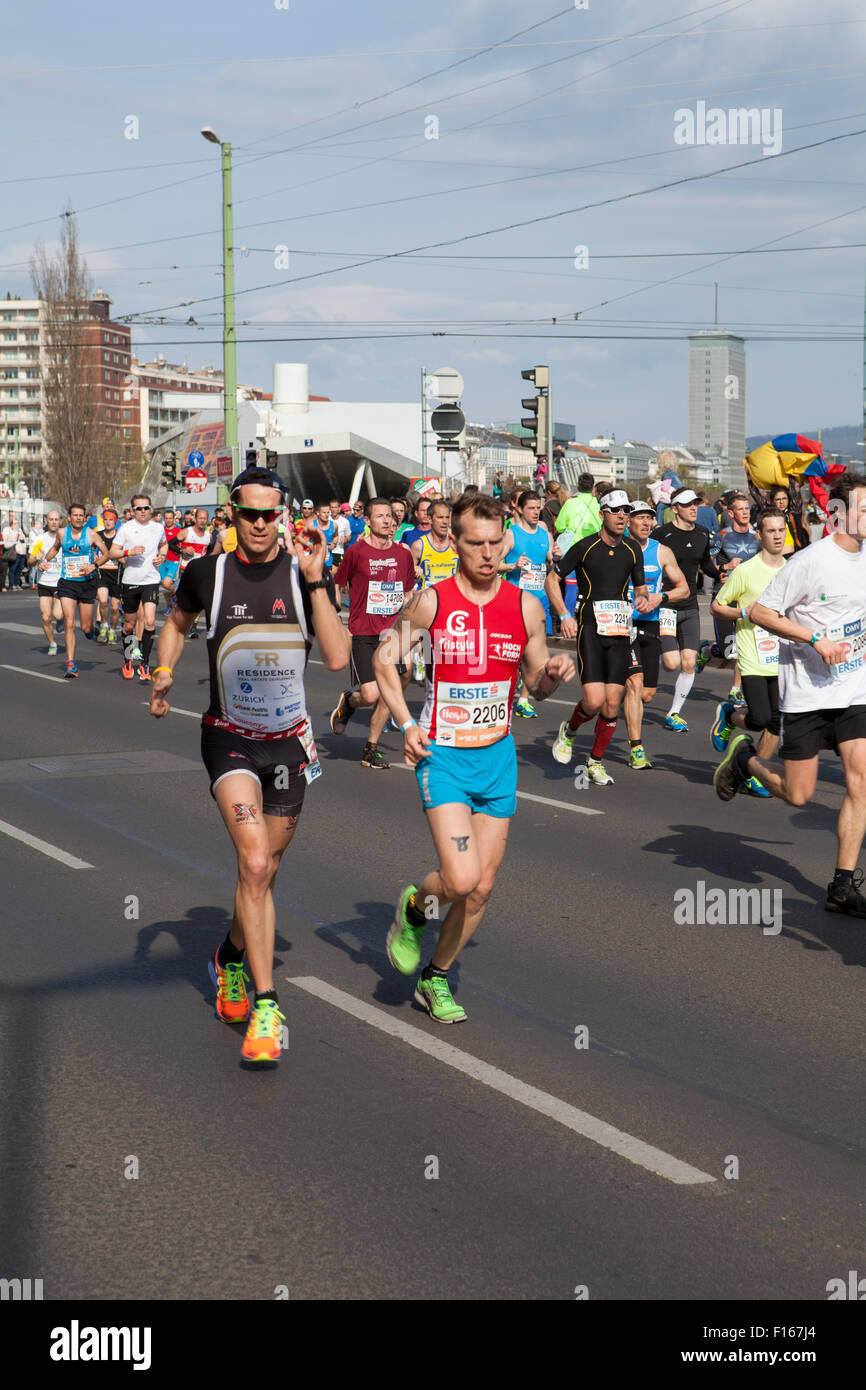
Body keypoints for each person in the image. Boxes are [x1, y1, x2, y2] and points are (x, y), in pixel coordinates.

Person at [150, 465, 351, 1065]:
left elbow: (338, 658)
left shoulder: (304, 573)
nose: (260, 524)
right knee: (255, 860)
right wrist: (163, 673)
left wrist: (316, 583)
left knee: (265, 872)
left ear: (281, 516)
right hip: (229, 738)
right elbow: (176, 625)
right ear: (231, 514)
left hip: (289, 744)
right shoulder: (205, 572)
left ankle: (230, 956)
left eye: (270, 514)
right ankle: (267, 1005)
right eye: (249, 513)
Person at [373, 492, 575, 1023]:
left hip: (498, 759)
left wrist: (550, 676)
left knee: (482, 889)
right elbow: (383, 660)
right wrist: (407, 723)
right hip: (444, 758)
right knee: (459, 879)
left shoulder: (525, 606)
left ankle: (435, 977)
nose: (486, 554)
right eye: (474, 544)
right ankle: (415, 907)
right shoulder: (431, 602)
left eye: (493, 543)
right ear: (454, 543)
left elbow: (533, 683)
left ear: (503, 541)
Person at [713, 473, 866, 918]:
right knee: (799, 794)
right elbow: (761, 611)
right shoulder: (810, 562)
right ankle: (745, 758)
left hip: (854, 690)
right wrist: (814, 639)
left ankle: (842, 885)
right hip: (807, 694)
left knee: (861, 780)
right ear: (837, 514)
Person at [547, 491, 649, 785]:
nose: (622, 516)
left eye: (626, 511)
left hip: (619, 631)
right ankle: (569, 730)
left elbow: (640, 587)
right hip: (590, 629)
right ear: (602, 513)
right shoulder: (585, 547)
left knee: (612, 703)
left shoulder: (632, 549)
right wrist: (565, 615)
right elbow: (552, 579)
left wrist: (642, 599)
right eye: (616, 510)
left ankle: (595, 761)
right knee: (593, 701)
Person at [329, 498, 416, 769]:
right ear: (367, 521)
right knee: (370, 695)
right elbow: (337, 581)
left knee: (397, 685)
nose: (387, 520)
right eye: (380, 516)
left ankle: (371, 747)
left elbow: (408, 591)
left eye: (389, 516)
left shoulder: (403, 554)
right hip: (363, 631)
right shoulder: (356, 552)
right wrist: (337, 618)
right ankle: (349, 701)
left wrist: (407, 621)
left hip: (392, 634)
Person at [710, 510, 787, 796]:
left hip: (781, 656)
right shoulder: (745, 571)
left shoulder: (790, 569)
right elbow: (716, 606)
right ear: (760, 535)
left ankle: (757, 770)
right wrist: (743, 612)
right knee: (759, 720)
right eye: (771, 531)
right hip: (753, 655)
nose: (777, 536)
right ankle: (729, 716)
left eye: (781, 531)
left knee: (778, 720)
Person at [622, 501, 689, 770]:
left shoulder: (662, 552)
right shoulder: (618, 550)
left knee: (647, 694)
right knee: (635, 684)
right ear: (629, 522)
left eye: (650, 518)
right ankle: (636, 748)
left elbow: (684, 589)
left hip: (651, 625)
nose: (647, 523)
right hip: (622, 625)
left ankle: (622, 703)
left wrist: (661, 596)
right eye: (640, 518)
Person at [651, 487, 720, 732]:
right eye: (688, 504)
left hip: (690, 606)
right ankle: (640, 673)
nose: (694, 508)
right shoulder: (661, 534)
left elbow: (705, 564)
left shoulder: (702, 533)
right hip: (666, 606)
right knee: (670, 663)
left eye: (696, 504)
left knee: (689, 662)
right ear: (675, 509)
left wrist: (721, 571)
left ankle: (674, 713)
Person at [501, 489, 556, 717]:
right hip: (516, 602)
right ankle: (503, 696)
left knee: (534, 654)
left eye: (538, 508)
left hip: (540, 601)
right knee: (514, 654)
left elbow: (550, 567)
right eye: (531, 508)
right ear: (520, 510)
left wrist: (555, 558)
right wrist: (513, 566)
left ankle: (523, 700)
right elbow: (493, 565)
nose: (536, 512)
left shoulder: (545, 533)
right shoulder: (510, 535)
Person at [38, 503, 108, 677]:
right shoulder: (62, 534)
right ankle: (71, 663)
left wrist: (94, 565)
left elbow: (106, 553)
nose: (78, 518)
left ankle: (91, 630)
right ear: (69, 517)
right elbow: (55, 548)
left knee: (85, 628)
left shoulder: (91, 535)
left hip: (86, 584)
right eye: (75, 515)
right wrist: (45, 561)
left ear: (85, 518)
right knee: (70, 623)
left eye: (81, 515)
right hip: (67, 583)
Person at [107, 494, 167, 683]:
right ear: (132, 511)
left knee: (149, 622)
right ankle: (127, 658)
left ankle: (144, 663)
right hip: (131, 580)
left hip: (151, 579)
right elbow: (112, 552)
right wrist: (128, 552)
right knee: (129, 625)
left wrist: (162, 556)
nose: (143, 511)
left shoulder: (158, 528)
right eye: (138, 509)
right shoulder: (126, 529)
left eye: (146, 508)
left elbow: (164, 545)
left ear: (151, 509)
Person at [29, 510, 63, 653]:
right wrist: (37, 559)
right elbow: (30, 561)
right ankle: (52, 643)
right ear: (46, 521)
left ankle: (61, 620)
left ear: (60, 521)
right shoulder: (40, 540)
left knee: (58, 615)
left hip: (61, 582)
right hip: (44, 583)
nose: (54, 522)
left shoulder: (65, 538)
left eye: (56, 519)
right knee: (45, 617)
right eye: (51, 519)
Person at [95, 504, 123, 644]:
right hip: (102, 574)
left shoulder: (120, 537)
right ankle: (104, 625)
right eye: (105, 519)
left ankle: (112, 630)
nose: (107, 522)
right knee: (103, 601)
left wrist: (115, 556)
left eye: (110, 519)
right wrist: (93, 558)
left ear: (115, 521)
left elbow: (125, 557)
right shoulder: (98, 536)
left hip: (116, 575)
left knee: (115, 607)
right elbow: (90, 550)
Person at [554, 473, 601, 544]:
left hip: (574, 545)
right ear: (593, 487)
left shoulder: (570, 503)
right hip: (594, 545)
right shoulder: (599, 504)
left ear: (578, 486)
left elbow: (560, 526)